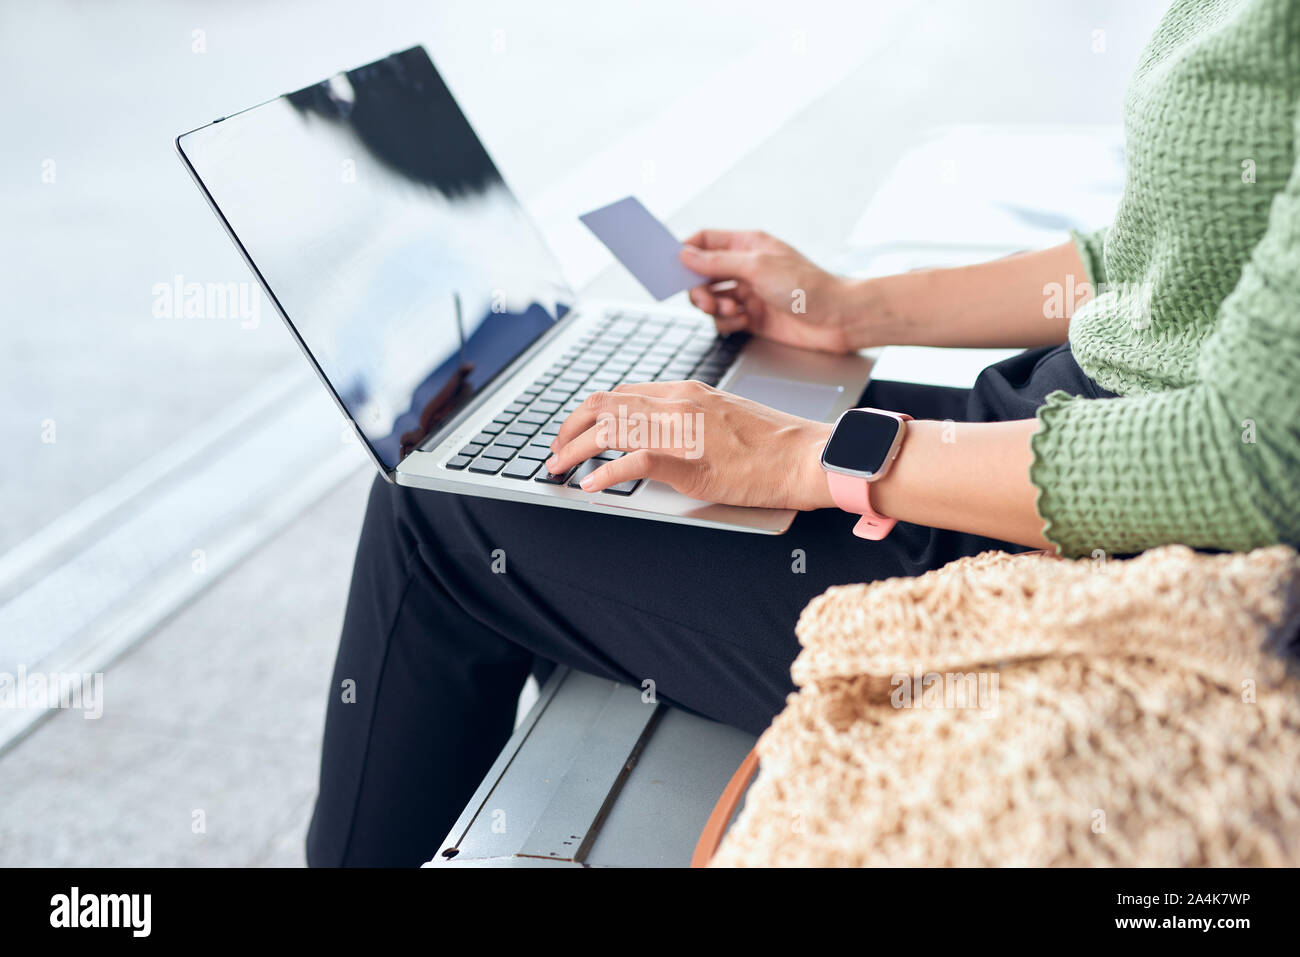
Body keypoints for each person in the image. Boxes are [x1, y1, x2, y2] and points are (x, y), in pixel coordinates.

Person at [306, 0, 1300, 866]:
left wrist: (803, 457)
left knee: (436, 511)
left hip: (1133, 544)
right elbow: (1157, 266)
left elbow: (1249, 458)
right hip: (1062, 427)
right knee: (560, 454)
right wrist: (847, 311)